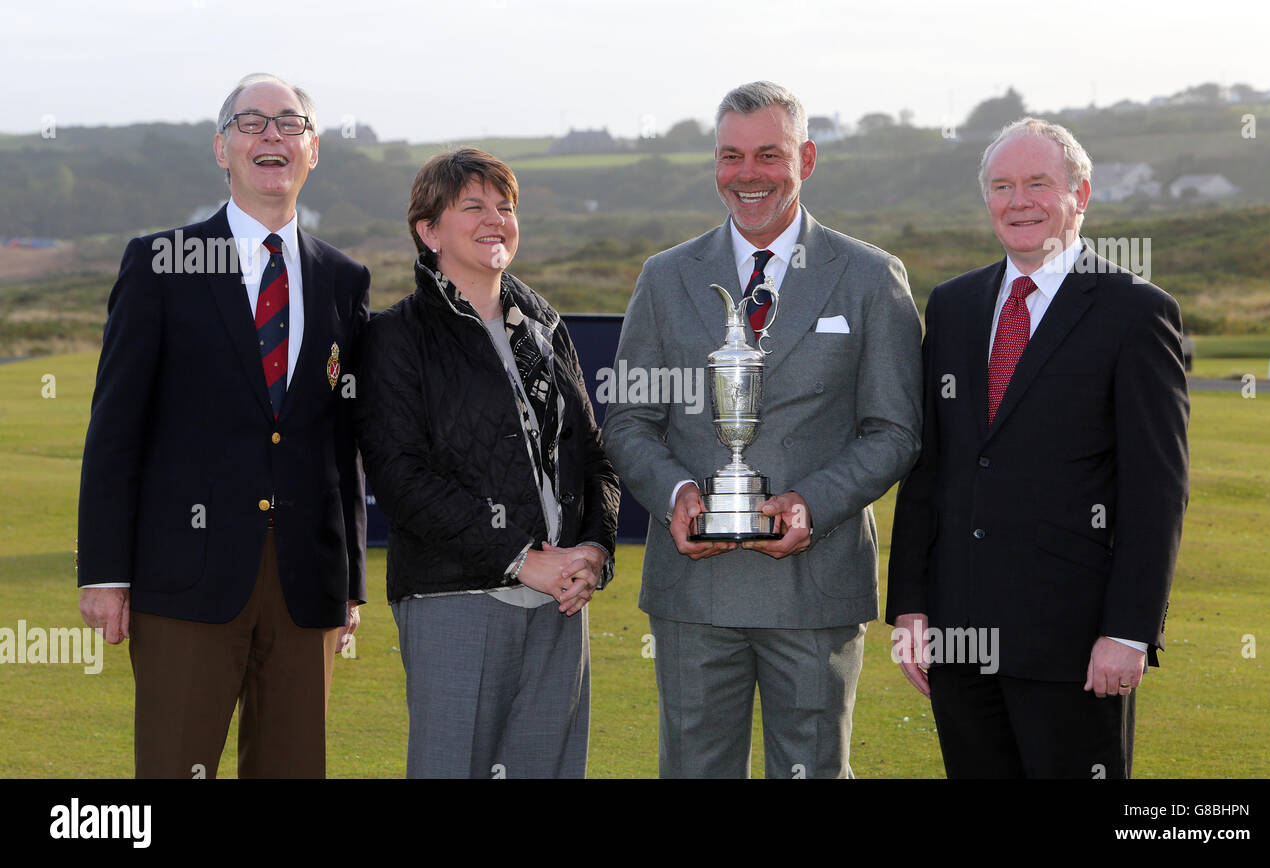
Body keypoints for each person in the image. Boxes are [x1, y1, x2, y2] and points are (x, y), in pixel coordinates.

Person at [603, 81, 923, 778]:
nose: (749, 174)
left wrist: (813, 503)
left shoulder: (871, 277)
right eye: (731, 156)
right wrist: (676, 493)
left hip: (816, 583)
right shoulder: (664, 278)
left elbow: (894, 430)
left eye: (769, 155)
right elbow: (628, 419)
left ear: (805, 158)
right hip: (693, 586)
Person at [76, 73, 369, 778]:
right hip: (184, 580)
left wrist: (350, 579)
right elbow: (115, 429)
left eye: (290, 124)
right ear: (221, 147)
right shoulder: (160, 262)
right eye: (252, 123)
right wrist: (106, 572)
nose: (272, 135)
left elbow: (343, 437)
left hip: (307, 586)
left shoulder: (344, 279)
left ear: (313, 149)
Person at [886, 118, 1190, 778]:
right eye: (1001, 185)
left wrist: (1129, 630)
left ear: (1080, 194)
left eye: (1037, 184)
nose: (1017, 201)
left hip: (1075, 643)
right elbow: (929, 466)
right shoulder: (955, 304)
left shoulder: (1135, 311)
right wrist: (910, 605)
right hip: (959, 635)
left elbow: (1156, 489)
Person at [356, 148, 619, 779]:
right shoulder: (397, 337)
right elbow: (400, 478)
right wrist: (522, 558)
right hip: (454, 596)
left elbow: (594, 459)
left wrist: (594, 553)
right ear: (429, 230)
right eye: (472, 207)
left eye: (505, 207)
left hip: (561, 600)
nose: (494, 219)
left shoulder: (545, 329)